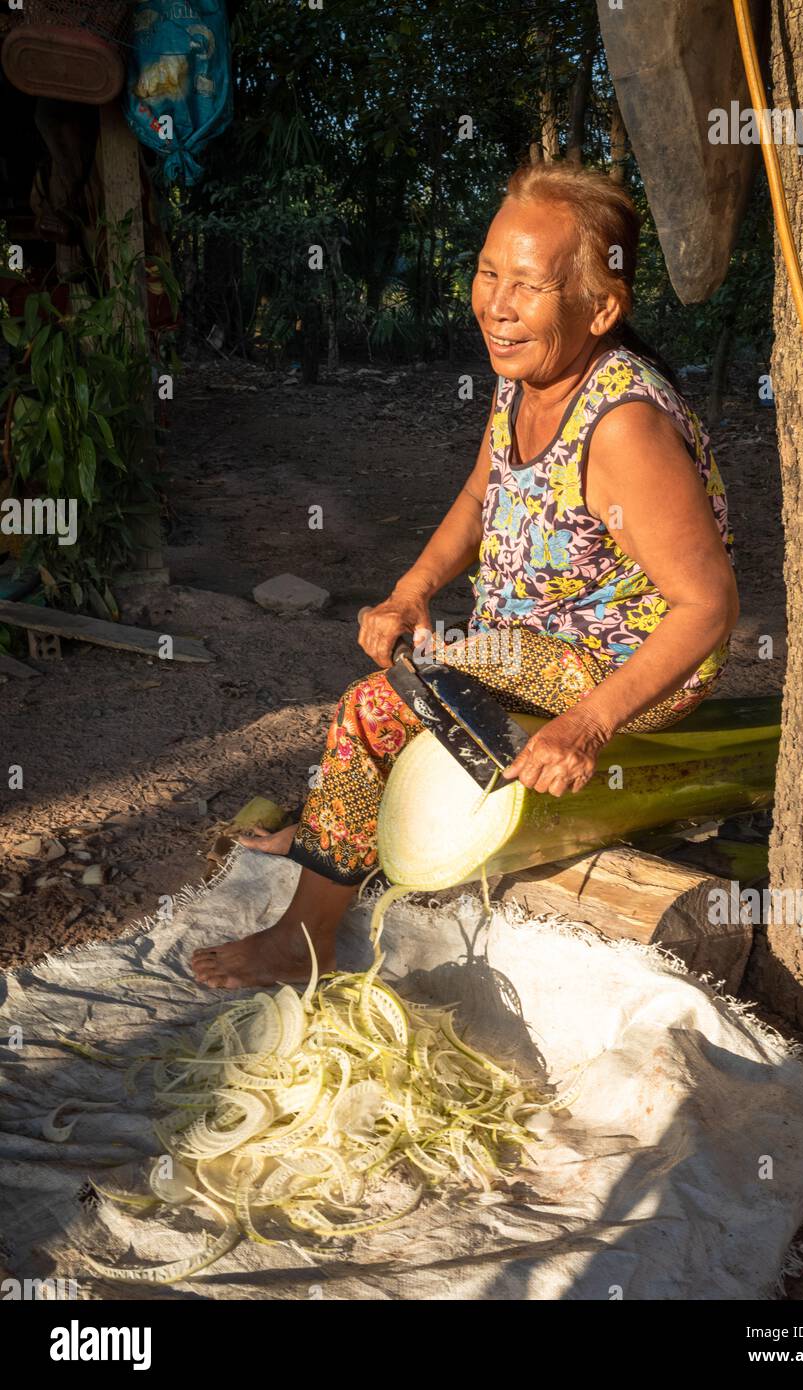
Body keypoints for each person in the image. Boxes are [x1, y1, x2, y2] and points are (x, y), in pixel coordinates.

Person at [192, 162, 738, 989]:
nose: (496, 304)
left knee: (376, 706)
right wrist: (412, 588)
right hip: (532, 643)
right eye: (488, 272)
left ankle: (302, 940)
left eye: (528, 285)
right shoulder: (522, 375)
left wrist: (586, 726)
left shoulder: (623, 425)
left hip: (628, 663)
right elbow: (485, 493)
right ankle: (336, 837)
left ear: (600, 307)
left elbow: (707, 606)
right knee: (418, 682)